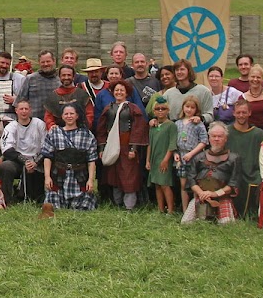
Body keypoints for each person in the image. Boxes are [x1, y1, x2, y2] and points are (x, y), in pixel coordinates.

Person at [96, 81, 149, 210]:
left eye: (122, 90)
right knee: (114, 175)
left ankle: (129, 206)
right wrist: (102, 148)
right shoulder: (108, 108)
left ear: (127, 93)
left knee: (129, 175)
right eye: (117, 90)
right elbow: (102, 129)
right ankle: (117, 203)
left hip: (127, 146)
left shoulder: (133, 108)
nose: (119, 92)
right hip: (112, 146)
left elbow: (138, 129)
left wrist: (133, 148)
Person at [39, 104, 99, 217]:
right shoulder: (54, 132)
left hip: (79, 177)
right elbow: (48, 157)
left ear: (77, 116)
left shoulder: (86, 135)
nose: (69, 116)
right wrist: (47, 177)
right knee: (51, 201)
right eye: (66, 114)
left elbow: (91, 160)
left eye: (72, 113)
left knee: (85, 204)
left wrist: (91, 180)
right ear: (62, 116)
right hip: (59, 176)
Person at [181, 123, 241, 226]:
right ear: (209, 138)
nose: (216, 139)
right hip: (201, 197)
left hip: (222, 198)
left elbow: (233, 184)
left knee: (227, 225)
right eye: (214, 136)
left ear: (225, 139)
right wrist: (201, 194)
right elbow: (191, 180)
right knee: (186, 223)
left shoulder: (234, 159)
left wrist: (215, 194)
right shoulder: (198, 157)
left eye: (220, 136)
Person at [0, 100, 46, 205]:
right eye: (21, 109)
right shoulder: (11, 127)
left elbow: (46, 147)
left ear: (30, 110)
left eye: (26, 109)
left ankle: (34, 197)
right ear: (16, 111)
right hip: (18, 161)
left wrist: (35, 162)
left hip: (37, 161)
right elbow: (6, 149)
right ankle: (7, 200)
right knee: (6, 166)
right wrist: (25, 161)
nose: (24, 111)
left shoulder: (39, 124)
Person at [226, 99, 263, 220]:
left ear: (249, 113)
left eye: (244, 112)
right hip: (231, 171)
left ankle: (252, 215)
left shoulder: (258, 134)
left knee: (257, 180)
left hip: (252, 172)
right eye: (238, 112)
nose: (241, 115)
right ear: (233, 113)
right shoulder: (227, 132)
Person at [173, 96, 208, 211]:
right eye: (187, 106)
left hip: (194, 157)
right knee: (183, 185)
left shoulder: (198, 124)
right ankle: (185, 210)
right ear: (183, 107)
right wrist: (175, 153)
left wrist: (192, 153)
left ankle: (196, 210)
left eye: (192, 107)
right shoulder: (177, 123)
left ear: (196, 109)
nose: (189, 110)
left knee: (195, 184)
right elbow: (173, 141)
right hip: (181, 157)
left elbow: (204, 141)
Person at [145, 96, 177, 214]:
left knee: (165, 184)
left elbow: (172, 144)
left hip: (164, 158)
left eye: (163, 109)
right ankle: (160, 208)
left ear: (167, 110)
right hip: (154, 158)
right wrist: (147, 160)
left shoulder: (171, 126)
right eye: (157, 109)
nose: (160, 111)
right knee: (157, 185)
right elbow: (149, 144)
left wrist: (166, 160)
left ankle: (170, 210)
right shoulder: (153, 126)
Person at [162, 59, 214, 124]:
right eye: (177, 70)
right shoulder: (168, 94)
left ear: (189, 71)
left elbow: (210, 115)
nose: (179, 72)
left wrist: (200, 118)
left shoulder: (204, 91)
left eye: (182, 69)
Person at [44, 65, 94, 130]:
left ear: (73, 77)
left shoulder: (82, 94)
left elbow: (89, 114)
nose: (66, 77)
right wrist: (52, 126)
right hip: (59, 134)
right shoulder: (53, 97)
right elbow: (48, 117)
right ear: (59, 77)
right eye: (63, 75)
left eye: (69, 75)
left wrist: (85, 127)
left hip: (80, 132)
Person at [18, 51, 59, 127]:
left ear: (54, 61)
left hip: (57, 125)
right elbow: (20, 102)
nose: (46, 64)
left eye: (48, 61)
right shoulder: (30, 79)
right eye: (43, 62)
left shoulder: (61, 79)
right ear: (39, 63)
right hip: (34, 126)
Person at [241, 65, 263, 131]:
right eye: (252, 77)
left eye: (258, 77)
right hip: (249, 132)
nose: (255, 79)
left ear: (262, 79)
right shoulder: (242, 97)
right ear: (248, 78)